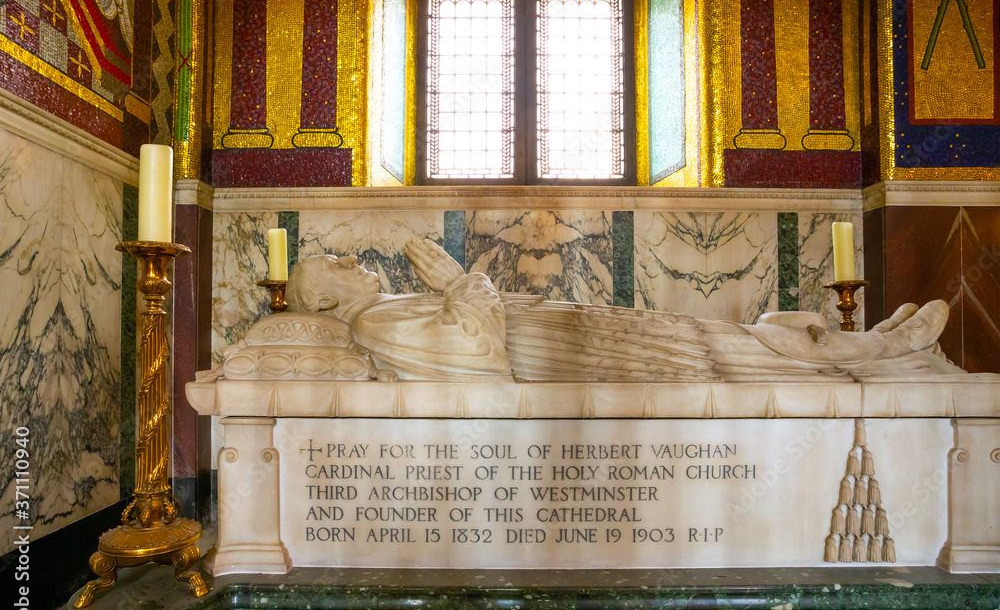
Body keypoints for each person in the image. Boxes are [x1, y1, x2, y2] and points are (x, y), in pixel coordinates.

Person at [284, 238, 959, 381]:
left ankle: (865, 346)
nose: (355, 261)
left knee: (717, 339)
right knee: (720, 353)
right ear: (319, 301)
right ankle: (871, 351)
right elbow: (476, 354)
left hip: (566, 333)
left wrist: (461, 285)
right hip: (555, 352)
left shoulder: (384, 308)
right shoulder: (372, 321)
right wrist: (460, 280)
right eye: (337, 266)